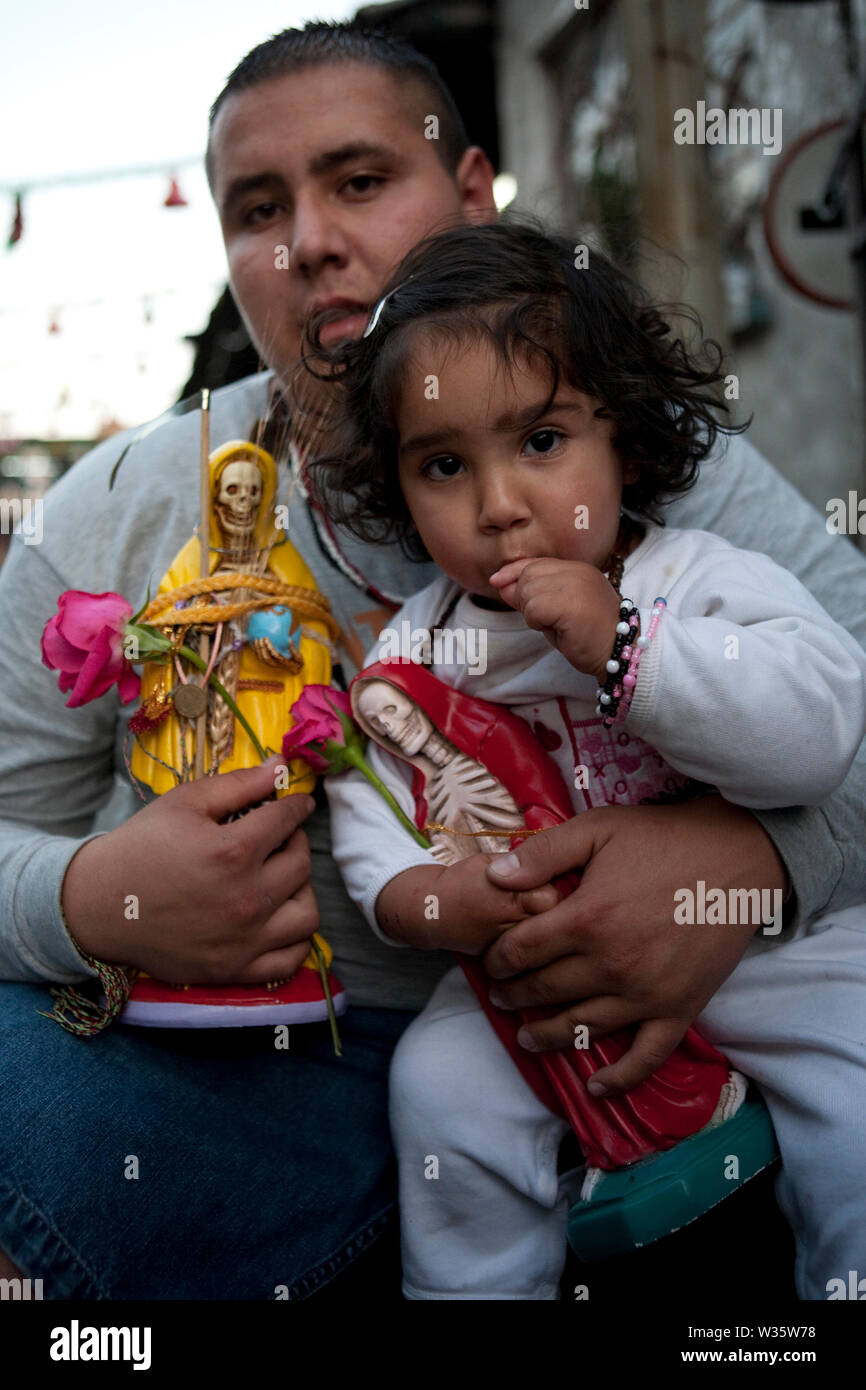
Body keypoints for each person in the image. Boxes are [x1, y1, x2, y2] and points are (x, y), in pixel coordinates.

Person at [0, 21, 864, 1300]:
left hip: (698, 1026)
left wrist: (754, 866)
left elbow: (837, 688)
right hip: (256, 1079)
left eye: (358, 181)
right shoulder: (119, 506)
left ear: (468, 199)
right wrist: (94, 898)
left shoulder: (646, 465)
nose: (308, 243)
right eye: (256, 208)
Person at [311, 218, 866, 1299]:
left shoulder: (698, 580)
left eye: (539, 441)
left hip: (765, 944)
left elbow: (818, 734)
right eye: (441, 465)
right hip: (547, 975)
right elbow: (370, 799)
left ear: (623, 436)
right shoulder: (414, 654)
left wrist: (626, 644)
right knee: (438, 1088)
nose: (499, 504)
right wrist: (434, 898)